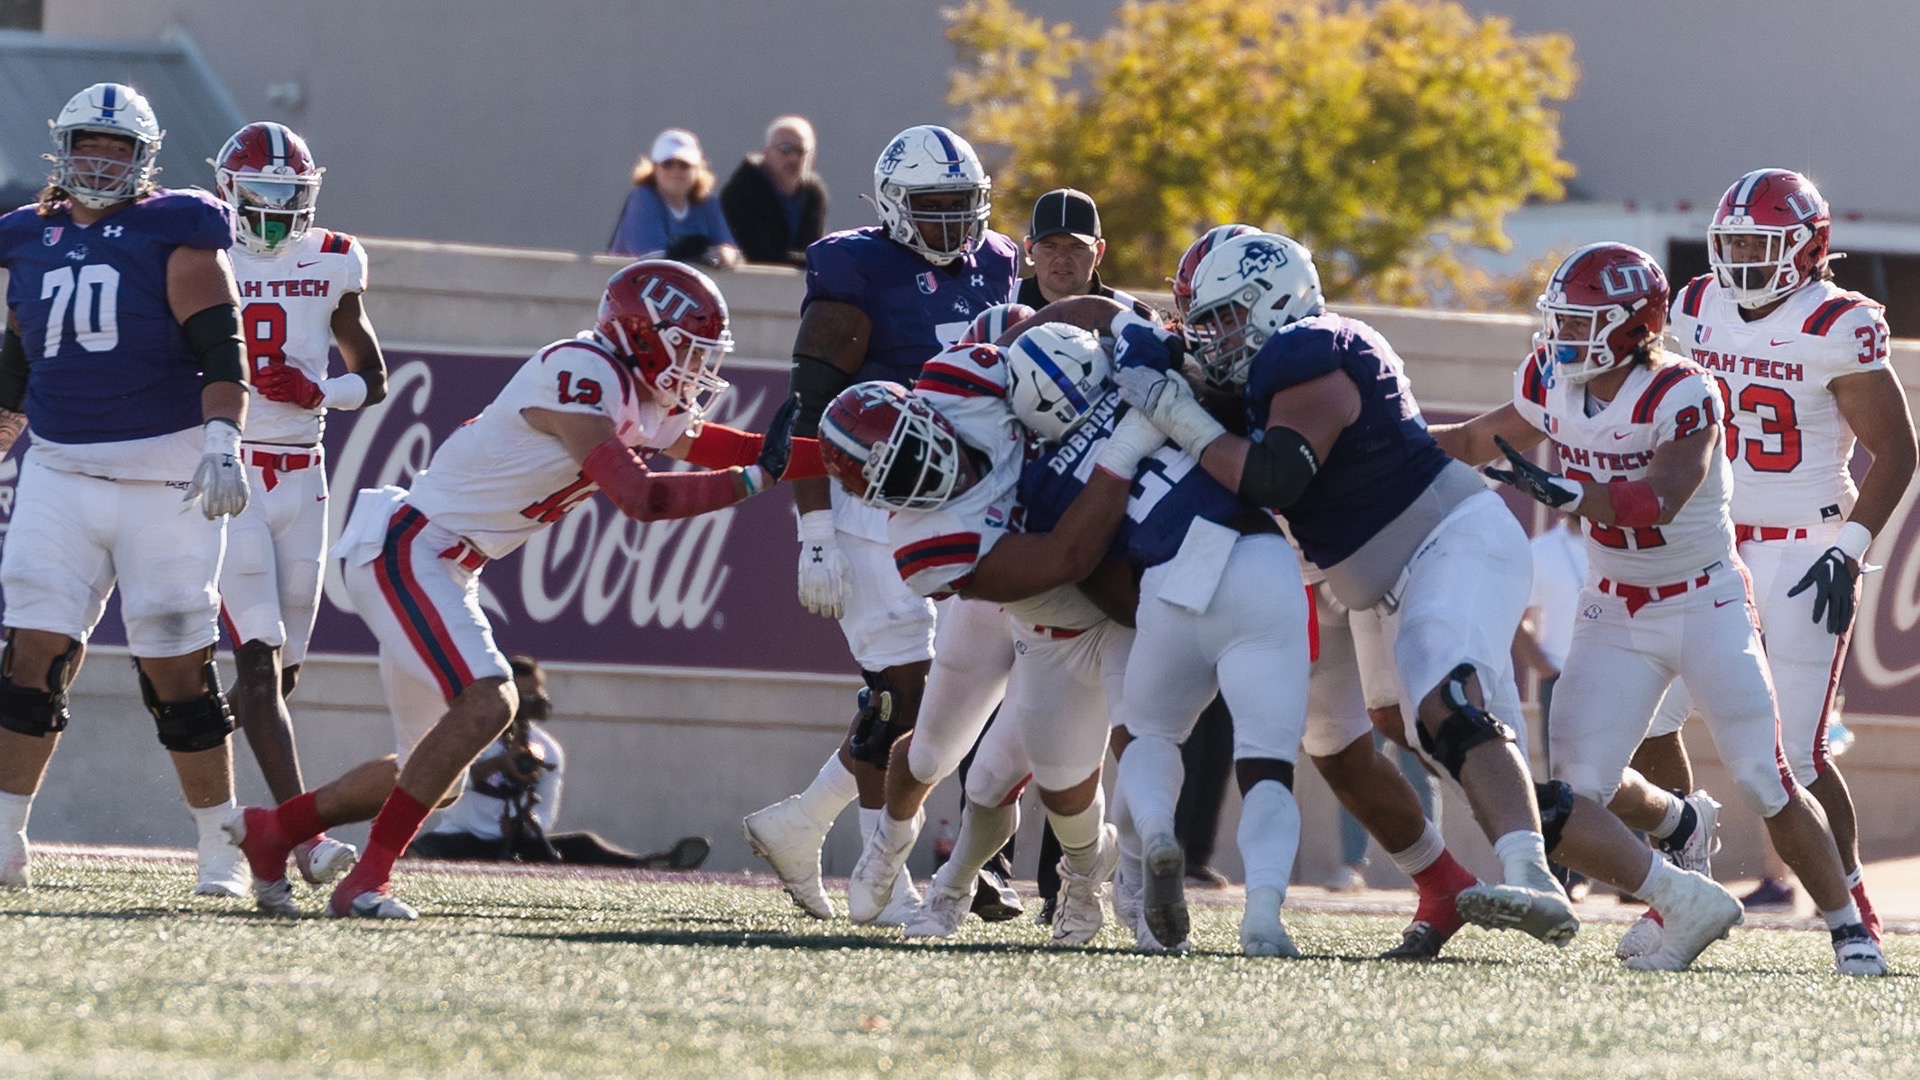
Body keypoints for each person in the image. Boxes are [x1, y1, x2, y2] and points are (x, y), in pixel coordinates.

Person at [1143, 232, 1731, 965]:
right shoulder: (1253, 368)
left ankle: (1537, 874)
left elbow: (1272, 480)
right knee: (1346, 742)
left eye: (1226, 316)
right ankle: (1448, 883)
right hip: (1359, 575)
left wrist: (1181, 415)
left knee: (1448, 705)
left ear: (1273, 304)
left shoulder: (1309, 353)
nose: (1211, 335)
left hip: (1447, 542)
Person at [223, 260, 811, 918]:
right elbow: (640, 496)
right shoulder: (584, 372)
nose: (698, 368)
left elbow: (724, 446)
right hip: (410, 548)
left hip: (441, 561)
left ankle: (272, 833)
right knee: (489, 703)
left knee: (435, 777)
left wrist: (842, 457)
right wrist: (760, 479)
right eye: (689, 347)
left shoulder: (633, 389)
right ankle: (368, 882)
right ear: (643, 333)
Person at [1437, 241, 1885, 976]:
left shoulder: (1682, 391)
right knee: (1573, 798)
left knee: (1764, 776)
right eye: (1563, 319)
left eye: (1583, 322)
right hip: (1613, 607)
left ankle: (1848, 929)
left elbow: (1658, 502)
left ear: (1631, 326)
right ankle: (1682, 848)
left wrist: (1574, 495)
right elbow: (1463, 442)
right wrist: (1372, 446)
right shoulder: (1550, 378)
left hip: (1705, 600)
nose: (1564, 336)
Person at [1621, 169, 1915, 949]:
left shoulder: (1839, 324)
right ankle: (1684, 881)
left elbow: (1897, 451)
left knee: (1794, 754)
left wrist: (1851, 552)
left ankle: (1851, 909)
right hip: (1712, 542)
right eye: (1735, 242)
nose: (1745, 257)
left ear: (1809, 249)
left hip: (1803, 548)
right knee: (1647, 719)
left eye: (1761, 243)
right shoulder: (1692, 307)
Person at [741, 124, 1018, 924]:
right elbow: (809, 413)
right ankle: (885, 879)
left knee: (944, 694)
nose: (948, 223)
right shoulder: (852, 268)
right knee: (904, 693)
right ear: (894, 206)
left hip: (963, 501)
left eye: (961, 206)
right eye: (930, 206)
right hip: (868, 506)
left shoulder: (999, 262)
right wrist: (814, 532)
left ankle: (800, 823)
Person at [0, 83, 252, 895]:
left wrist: (224, 436)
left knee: (177, 665)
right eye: (88, 146)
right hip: (61, 471)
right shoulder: (24, 238)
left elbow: (221, 347)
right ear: (62, 148)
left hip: (165, 475)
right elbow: (14, 366)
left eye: (117, 149)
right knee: (30, 652)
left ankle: (220, 848)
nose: (100, 162)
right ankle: (4, 840)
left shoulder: (175, 226)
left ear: (144, 160)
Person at [210, 121, 385, 890]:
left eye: (292, 196)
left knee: (277, 680)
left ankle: (238, 823)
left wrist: (321, 389)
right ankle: (305, 840)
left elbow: (371, 377)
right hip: (231, 473)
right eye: (265, 195)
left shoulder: (335, 259)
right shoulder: (201, 251)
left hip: (304, 476)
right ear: (231, 193)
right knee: (255, 655)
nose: (279, 212)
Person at [407, 656, 711, 869]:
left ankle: (649, 865)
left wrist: (523, 823)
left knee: (584, 845)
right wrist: (498, 765)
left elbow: (545, 815)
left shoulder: (548, 750)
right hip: (465, 837)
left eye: (533, 697)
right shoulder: (471, 736)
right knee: (427, 848)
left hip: (520, 843)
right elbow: (445, 784)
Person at [608, 129, 741, 270]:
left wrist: (726, 255)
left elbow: (731, 252)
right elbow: (654, 261)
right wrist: (701, 254)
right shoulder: (642, 199)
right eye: (667, 164)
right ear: (654, 168)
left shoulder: (707, 203)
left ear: (697, 169)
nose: (675, 171)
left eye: (684, 165)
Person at [1016, 188, 1151, 319]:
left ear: (1099, 251)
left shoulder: (1133, 315)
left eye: (1077, 247)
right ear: (1029, 249)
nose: (1062, 258)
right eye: (1050, 246)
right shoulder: (1002, 302)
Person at [719, 116, 828, 268]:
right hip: (748, 283)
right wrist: (809, 259)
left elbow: (815, 248)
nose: (793, 158)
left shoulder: (813, 193)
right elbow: (758, 254)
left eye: (801, 151)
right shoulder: (740, 192)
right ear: (766, 152)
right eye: (785, 149)